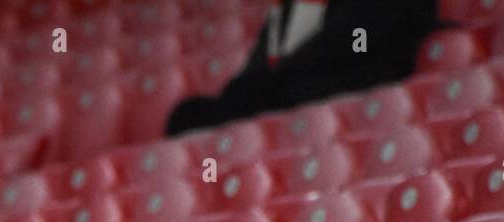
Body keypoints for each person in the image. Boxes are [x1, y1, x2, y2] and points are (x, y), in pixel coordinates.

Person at [166, 0, 442, 135]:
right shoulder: (286, 7)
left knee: (252, 96)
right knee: (191, 116)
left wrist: (283, 74)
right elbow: (259, 66)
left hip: (352, 84)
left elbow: (360, 40)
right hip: (288, 89)